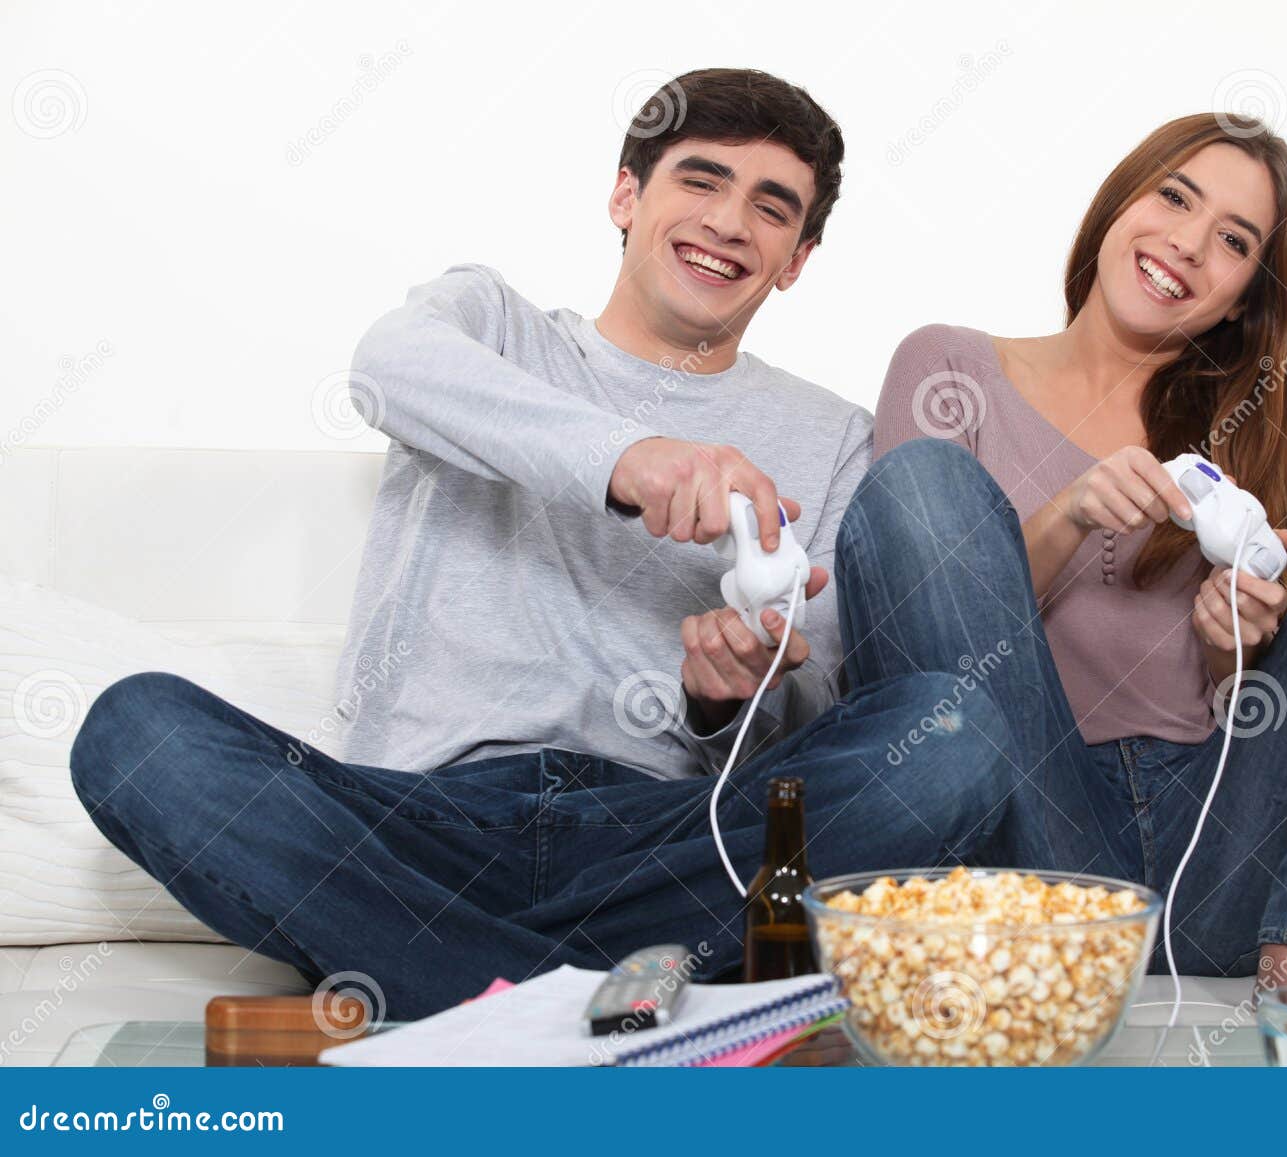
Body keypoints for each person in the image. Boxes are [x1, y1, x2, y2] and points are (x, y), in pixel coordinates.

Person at [68, 69, 1031, 1020]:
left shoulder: (836, 437)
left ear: (796, 259)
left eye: (771, 208)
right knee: (139, 733)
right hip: (417, 828)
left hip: (670, 842)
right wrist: (632, 459)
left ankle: (470, 993)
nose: (730, 222)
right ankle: (589, 1009)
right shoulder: (490, 324)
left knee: (956, 734)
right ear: (625, 196)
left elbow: (815, 702)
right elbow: (385, 368)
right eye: (701, 180)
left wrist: (726, 697)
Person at [840, 112, 1287, 994]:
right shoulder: (949, 370)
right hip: (1036, 830)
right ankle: (1044, 935)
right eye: (1174, 197)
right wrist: (1068, 516)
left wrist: (1232, 644)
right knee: (921, 483)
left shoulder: (1274, 412)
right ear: (1119, 203)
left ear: (1244, 296)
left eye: (1234, 241)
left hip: (1223, 848)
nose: (1189, 244)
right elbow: (912, 630)